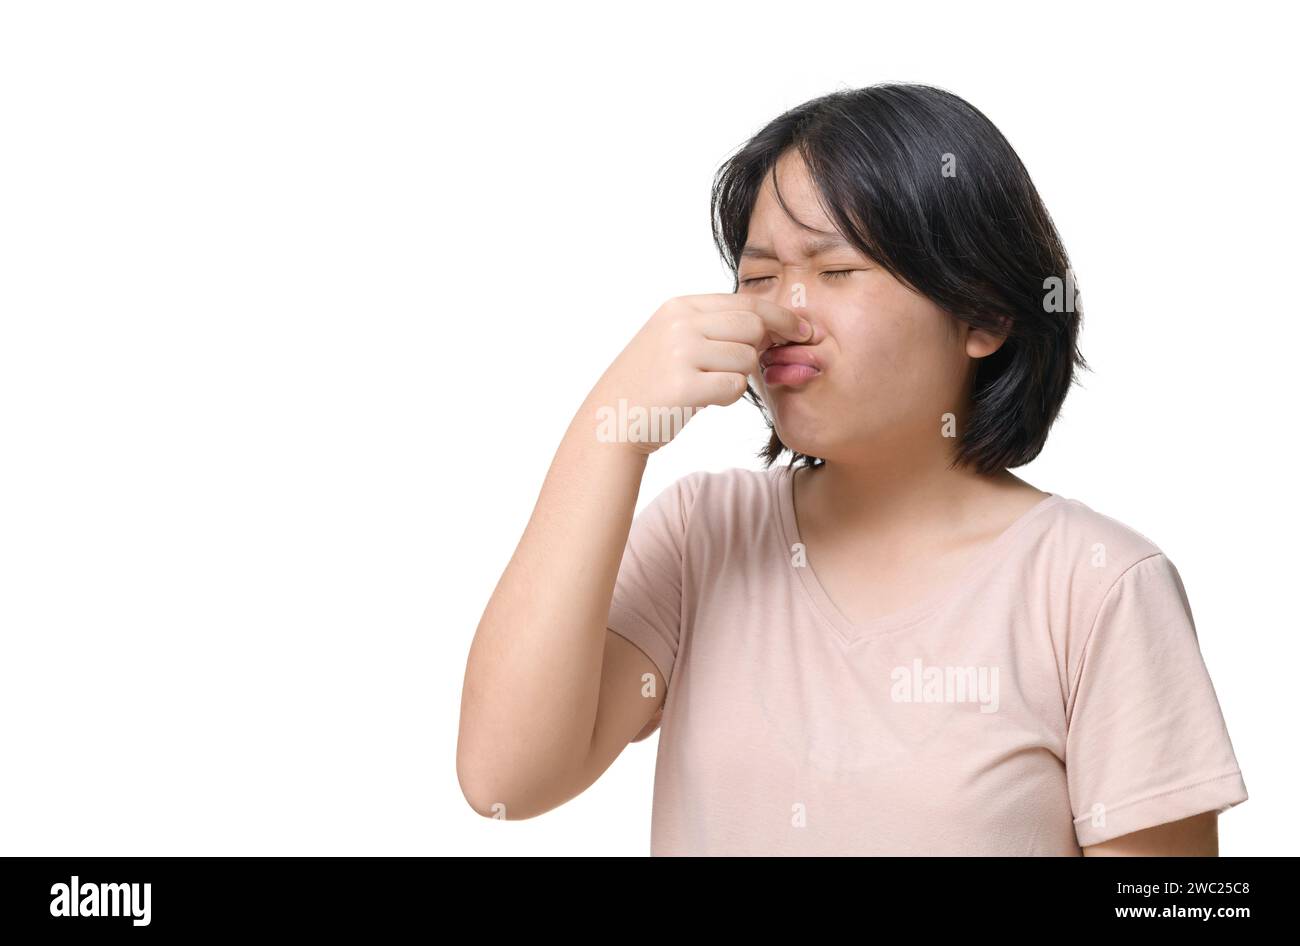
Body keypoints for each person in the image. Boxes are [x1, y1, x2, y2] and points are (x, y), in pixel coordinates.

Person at [457, 83, 1248, 855]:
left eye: (836, 272)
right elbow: (506, 780)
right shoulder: (703, 536)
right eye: (760, 276)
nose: (782, 314)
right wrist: (610, 433)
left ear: (984, 313)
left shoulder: (1096, 584)